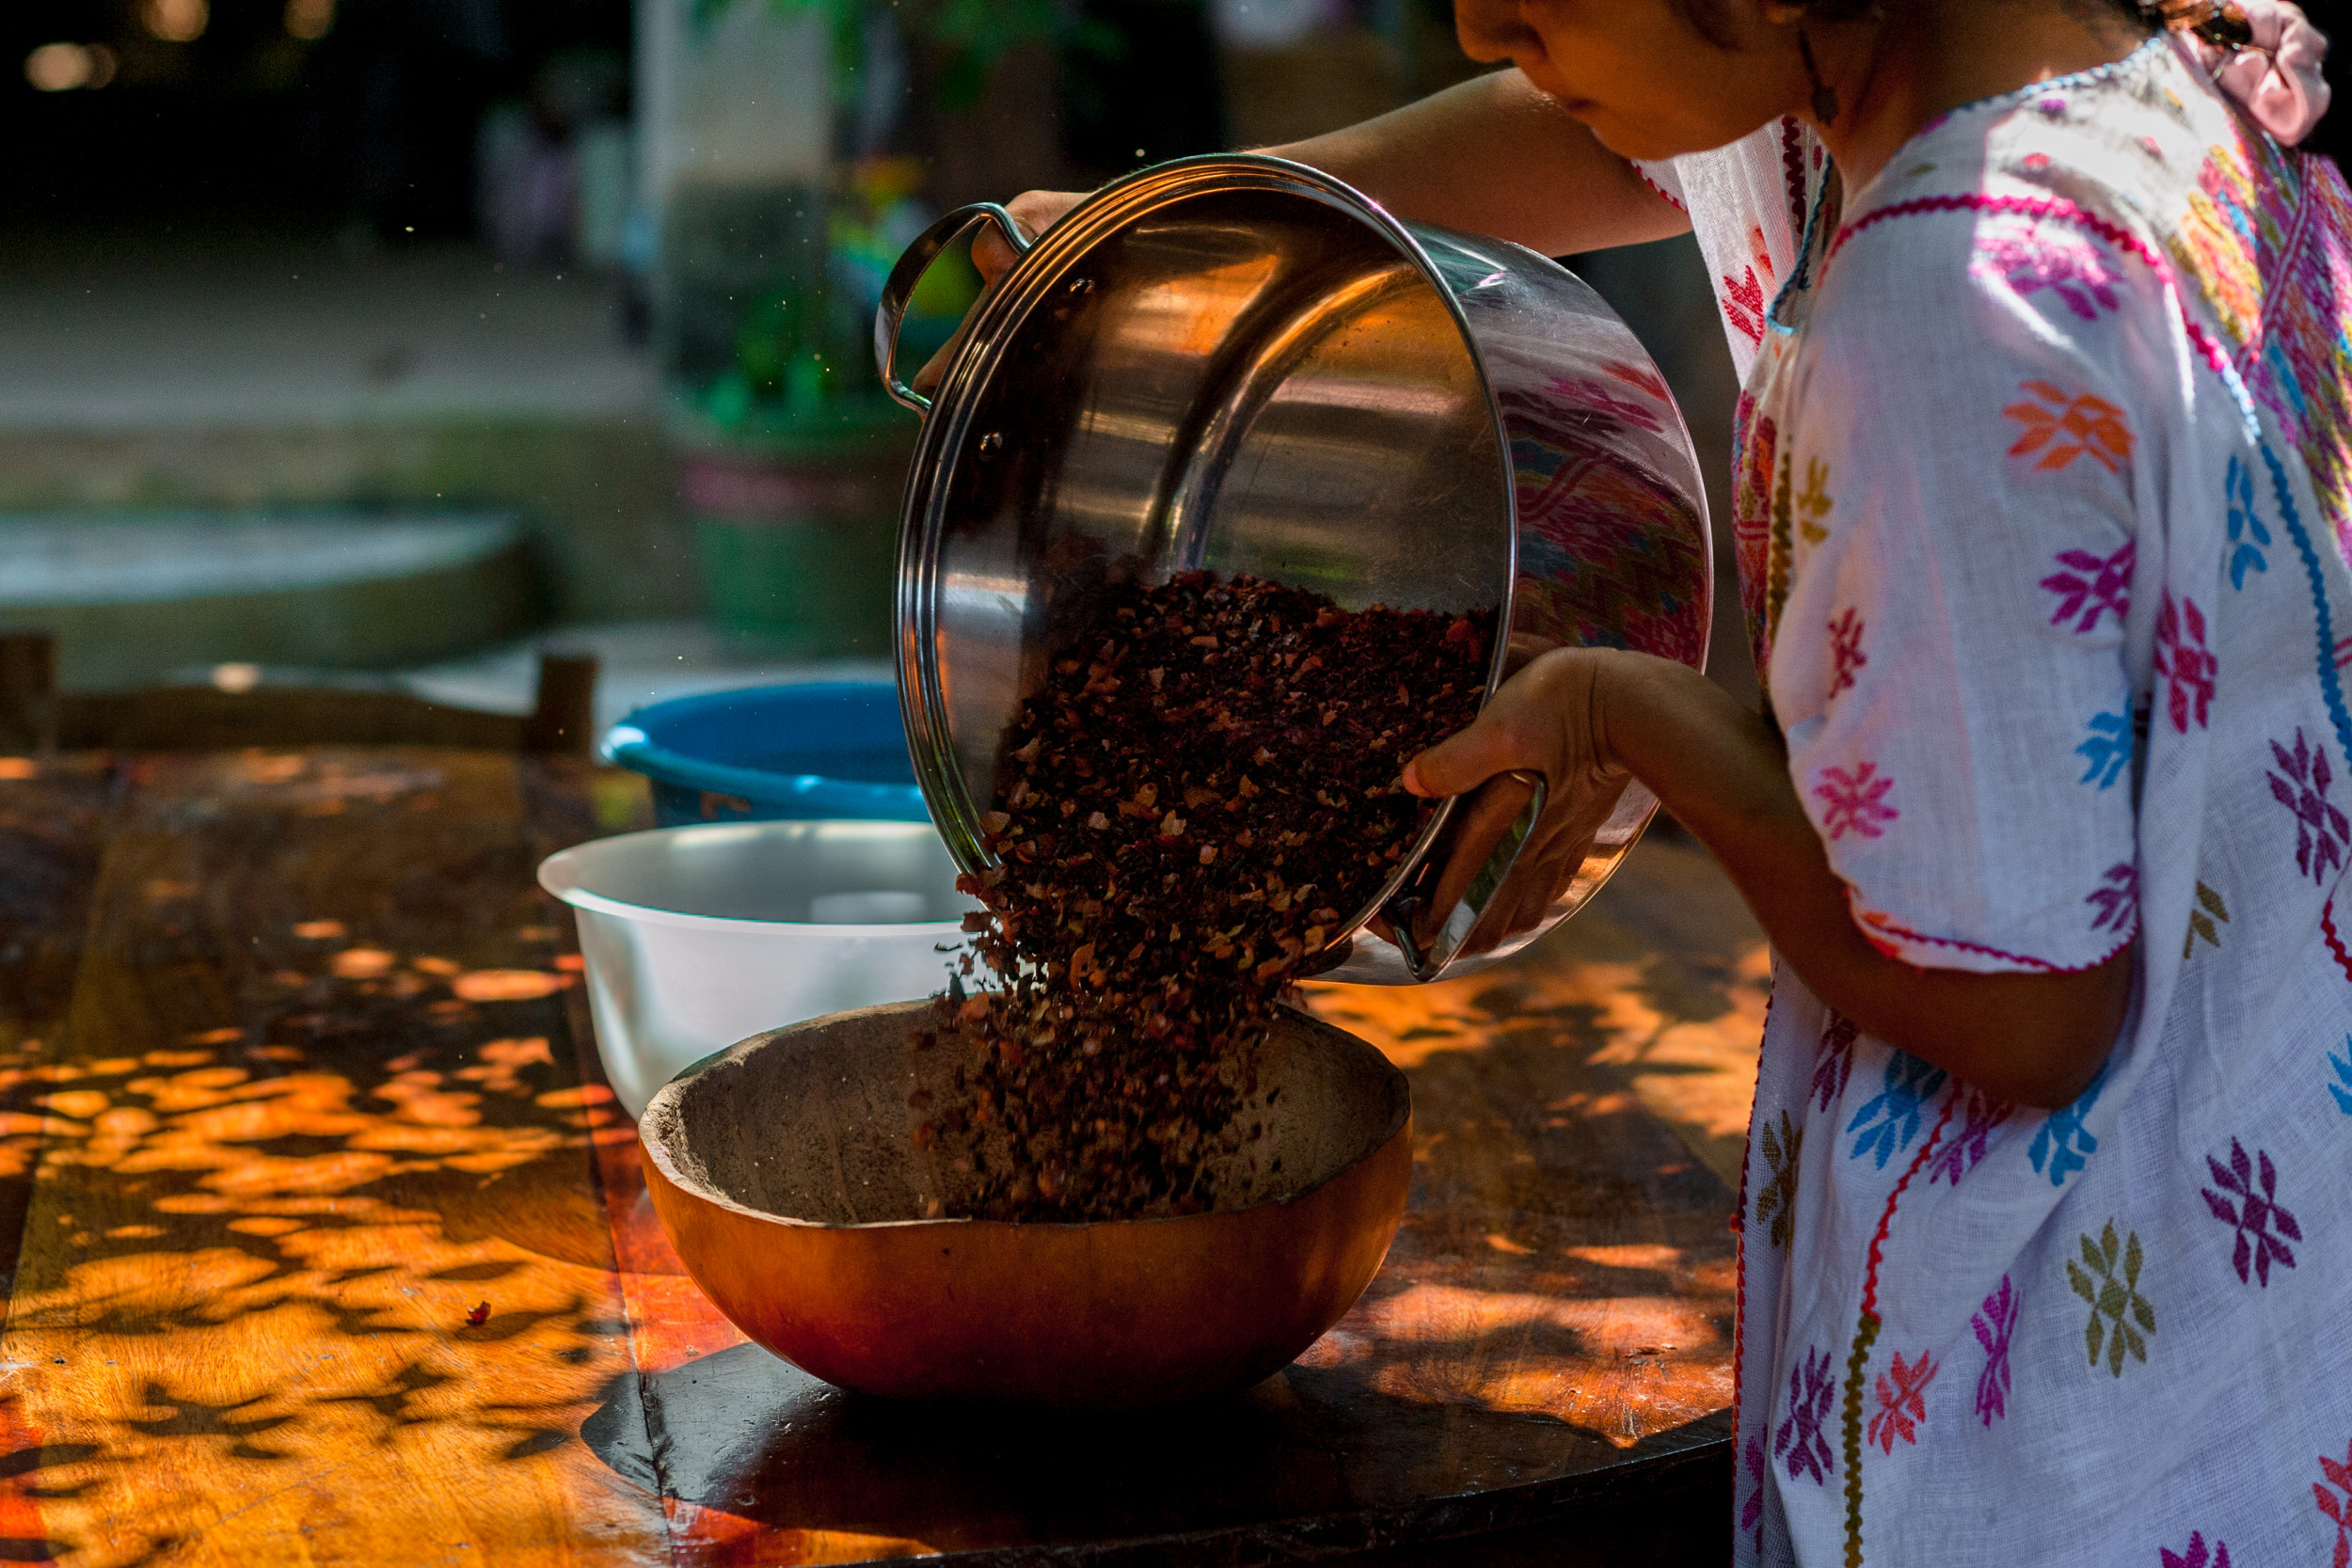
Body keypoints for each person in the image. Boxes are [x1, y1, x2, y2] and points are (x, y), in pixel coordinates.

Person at [954, 0, 2346, 1559]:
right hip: (2275, 1287)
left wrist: (1636, 721)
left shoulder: (1953, 311)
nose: (1481, 21)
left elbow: (2024, 1012)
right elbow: (1618, 132)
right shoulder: (2088, 81)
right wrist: (1210, 223)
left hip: (2073, 1403)